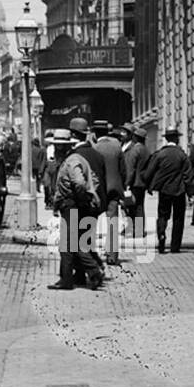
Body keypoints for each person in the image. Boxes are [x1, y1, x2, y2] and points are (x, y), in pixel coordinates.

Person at [47, 129, 105, 291]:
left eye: (59, 146)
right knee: (72, 243)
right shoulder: (76, 159)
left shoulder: (72, 161)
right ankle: (75, 276)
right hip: (72, 205)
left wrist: (79, 198)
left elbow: (79, 182)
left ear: (65, 147)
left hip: (71, 205)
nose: (56, 149)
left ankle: (90, 272)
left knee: (68, 245)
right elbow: (94, 179)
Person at [144, 125, 191, 253]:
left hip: (164, 190)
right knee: (178, 218)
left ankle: (161, 235)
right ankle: (175, 245)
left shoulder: (160, 154)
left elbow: (149, 172)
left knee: (162, 215)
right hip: (179, 190)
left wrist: (148, 185)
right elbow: (188, 175)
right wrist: (191, 192)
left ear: (167, 139)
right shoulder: (182, 155)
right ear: (176, 139)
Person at [92, 120, 127, 266]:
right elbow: (123, 171)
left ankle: (90, 255)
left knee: (91, 222)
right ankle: (112, 255)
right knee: (112, 223)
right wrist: (122, 186)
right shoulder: (117, 147)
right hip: (113, 190)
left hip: (97, 191)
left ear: (95, 133)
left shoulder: (94, 148)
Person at [122, 126, 149, 241]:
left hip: (134, 183)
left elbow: (131, 169)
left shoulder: (135, 150)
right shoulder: (146, 150)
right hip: (142, 182)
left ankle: (135, 229)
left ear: (135, 137)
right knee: (140, 207)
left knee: (132, 207)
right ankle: (140, 230)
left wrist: (127, 184)